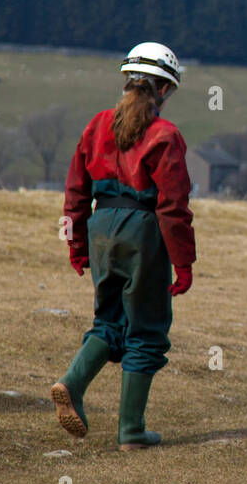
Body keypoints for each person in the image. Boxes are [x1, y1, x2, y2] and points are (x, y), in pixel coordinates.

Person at [54, 42, 195, 450]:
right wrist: (184, 263)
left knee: (109, 321)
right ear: (164, 89)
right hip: (143, 231)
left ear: (127, 80)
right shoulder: (165, 135)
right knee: (146, 328)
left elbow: (75, 193)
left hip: (101, 227)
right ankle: (131, 431)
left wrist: (77, 245)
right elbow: (173, 207)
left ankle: (72, 382)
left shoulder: (97, 124)